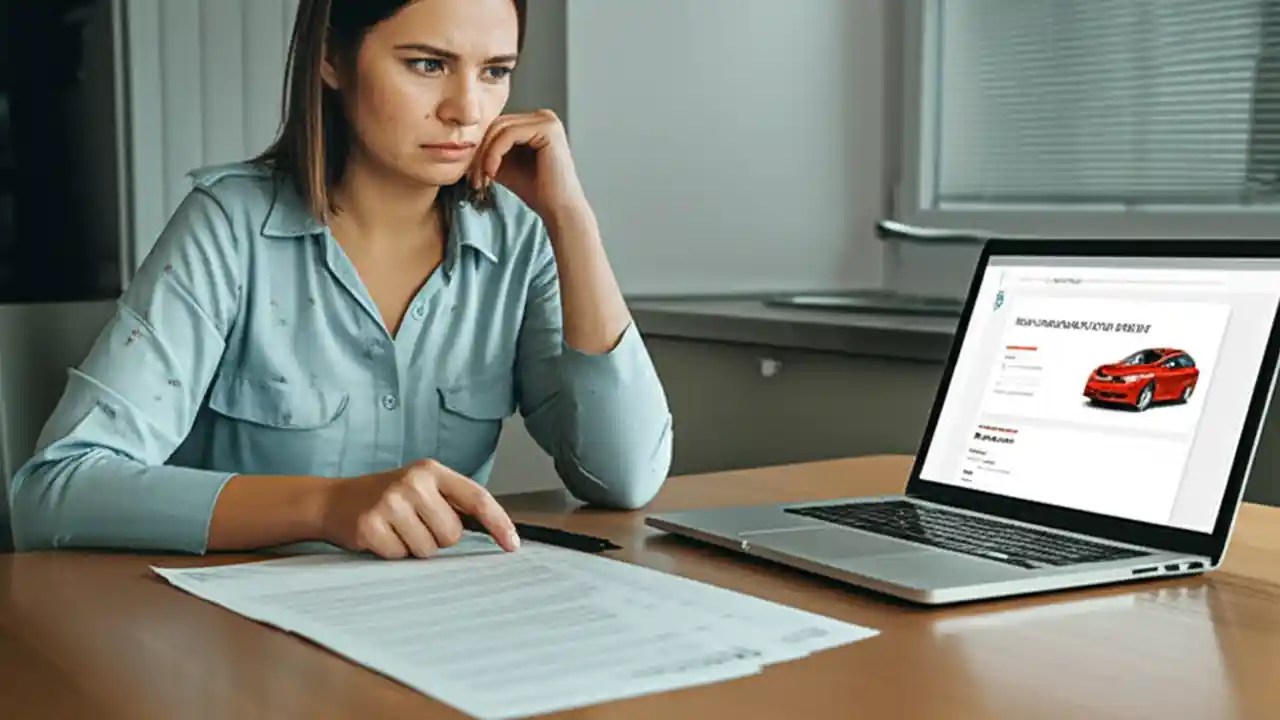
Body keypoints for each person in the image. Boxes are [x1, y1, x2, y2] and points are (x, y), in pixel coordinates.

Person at [8, 0, 673, 559]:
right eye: (428, 64)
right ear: (331, 57)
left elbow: (624, 478)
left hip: (443, 627)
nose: (467, 109)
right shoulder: (229, 226)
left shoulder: (520, 238)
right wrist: (326, 506)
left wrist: (570, 218)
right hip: (238, 637)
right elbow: (55, 490)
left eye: (495, 71)